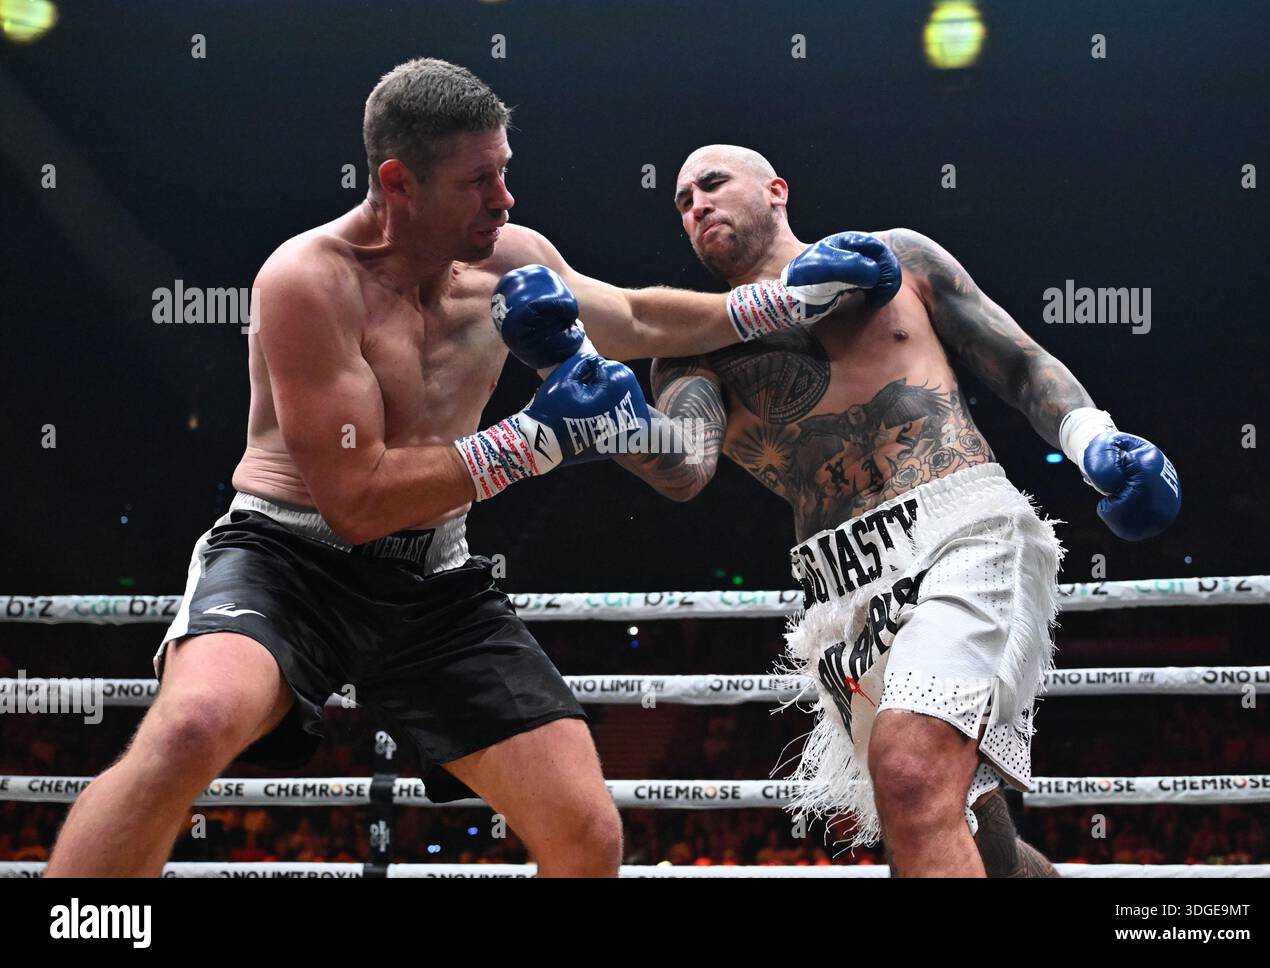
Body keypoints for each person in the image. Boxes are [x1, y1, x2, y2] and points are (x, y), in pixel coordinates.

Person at [45, 66, 889, 877]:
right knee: (190, 727)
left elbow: (631, 315)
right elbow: (354, 501)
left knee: (585, 831)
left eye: (505, 172)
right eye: (478, 181)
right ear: (398, 183)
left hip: (433, 581)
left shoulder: (509, 256)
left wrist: (783, 300)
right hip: (287, 561)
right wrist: (534, 440)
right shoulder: (307, 282)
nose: (504, 198)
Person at [599, 144, 1180, 876]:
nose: (696, 207)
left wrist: (1094, 441)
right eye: (681, 202)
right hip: (842, 590)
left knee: (909, 777)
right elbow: (685, 467)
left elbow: (1020, 362)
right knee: (963, 828)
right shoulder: (692, 351)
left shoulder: (898, 260)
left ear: (777, 189)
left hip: (959, 531)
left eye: (711, 185)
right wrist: (612, 427)